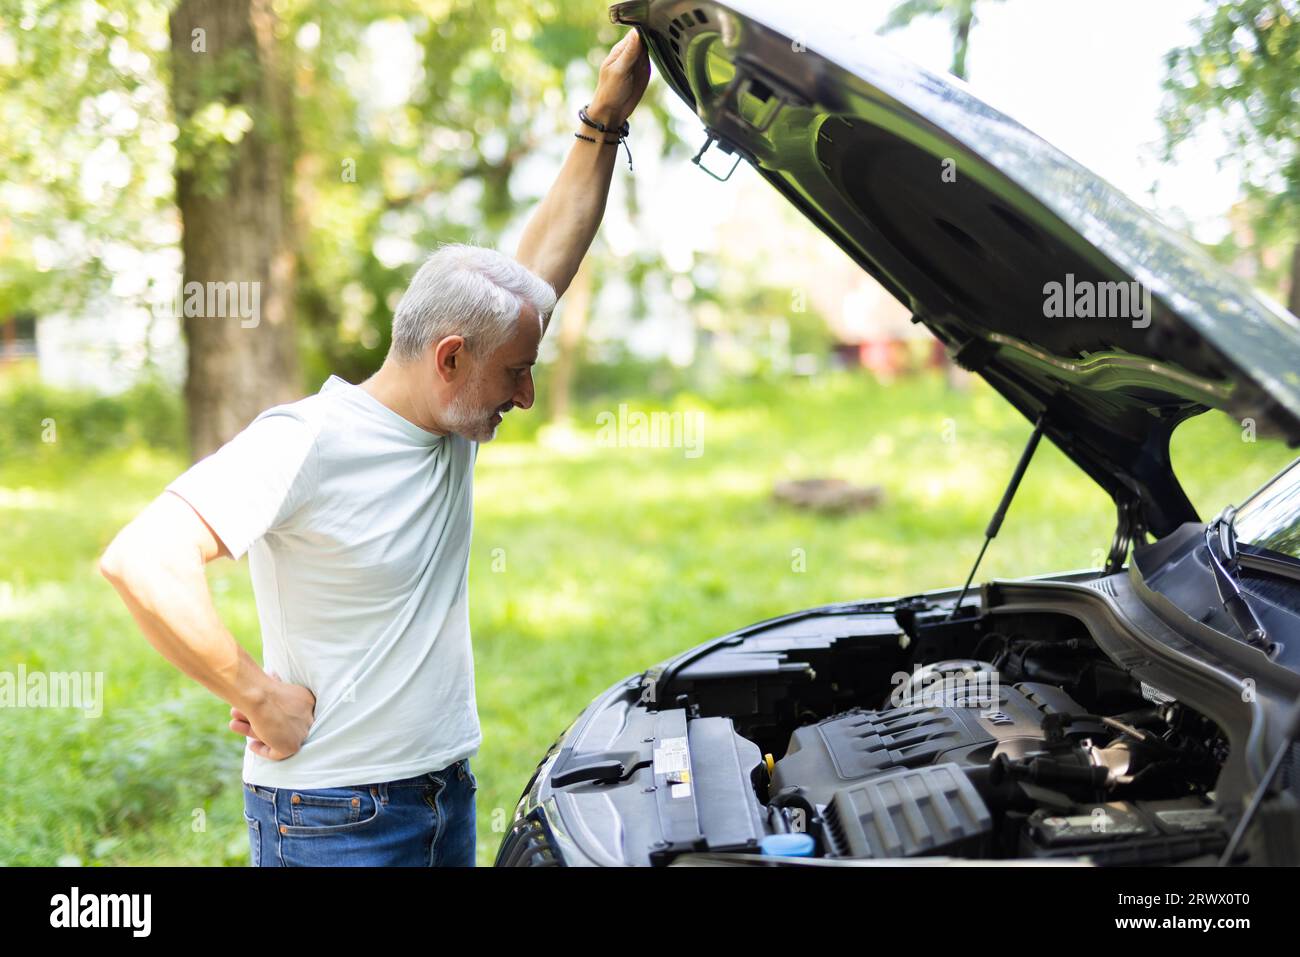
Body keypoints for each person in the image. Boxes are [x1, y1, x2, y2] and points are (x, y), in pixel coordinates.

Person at [98, 30, 652, 867]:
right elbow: (142, 559)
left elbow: (541, 266)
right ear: (450, 357)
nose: (525, 395)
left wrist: (605, 116)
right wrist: (257, 693)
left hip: (441, 792)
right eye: (516, 373)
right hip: (333, 818)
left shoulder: (451, 422)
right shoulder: (306, 441)